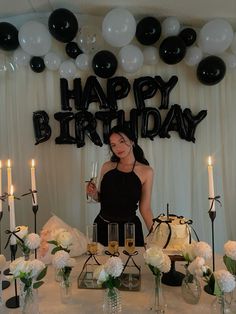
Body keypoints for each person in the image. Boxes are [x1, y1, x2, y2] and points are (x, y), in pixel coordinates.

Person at [86, 125, 154, 247]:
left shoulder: (146, 171)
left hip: (129, 231)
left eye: (121, 141)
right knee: (101, 265)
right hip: (103, 227)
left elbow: (145, 208)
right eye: (113, 145)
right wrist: (94, 193)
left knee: (131, 265)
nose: (118, 148)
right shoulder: (107, 167)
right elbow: (102, 198)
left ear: (132, 141)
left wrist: (156, 235)